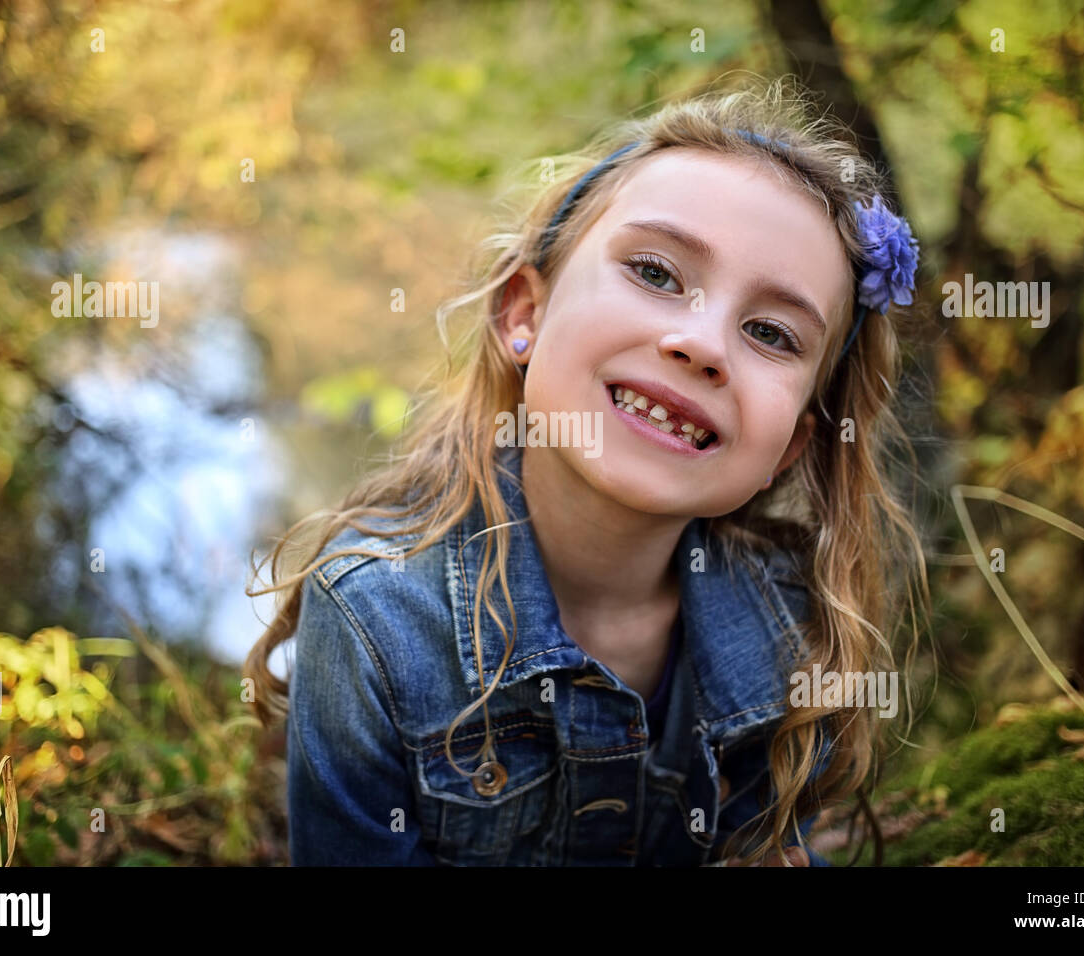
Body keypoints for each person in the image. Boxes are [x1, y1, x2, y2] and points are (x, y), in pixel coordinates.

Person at [246, 75, 928, 866]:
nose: (702, 344)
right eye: (657, 273)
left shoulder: (792, 630)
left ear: (787, 448)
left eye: (772, 333)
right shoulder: (375, 619)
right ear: (523, 315)